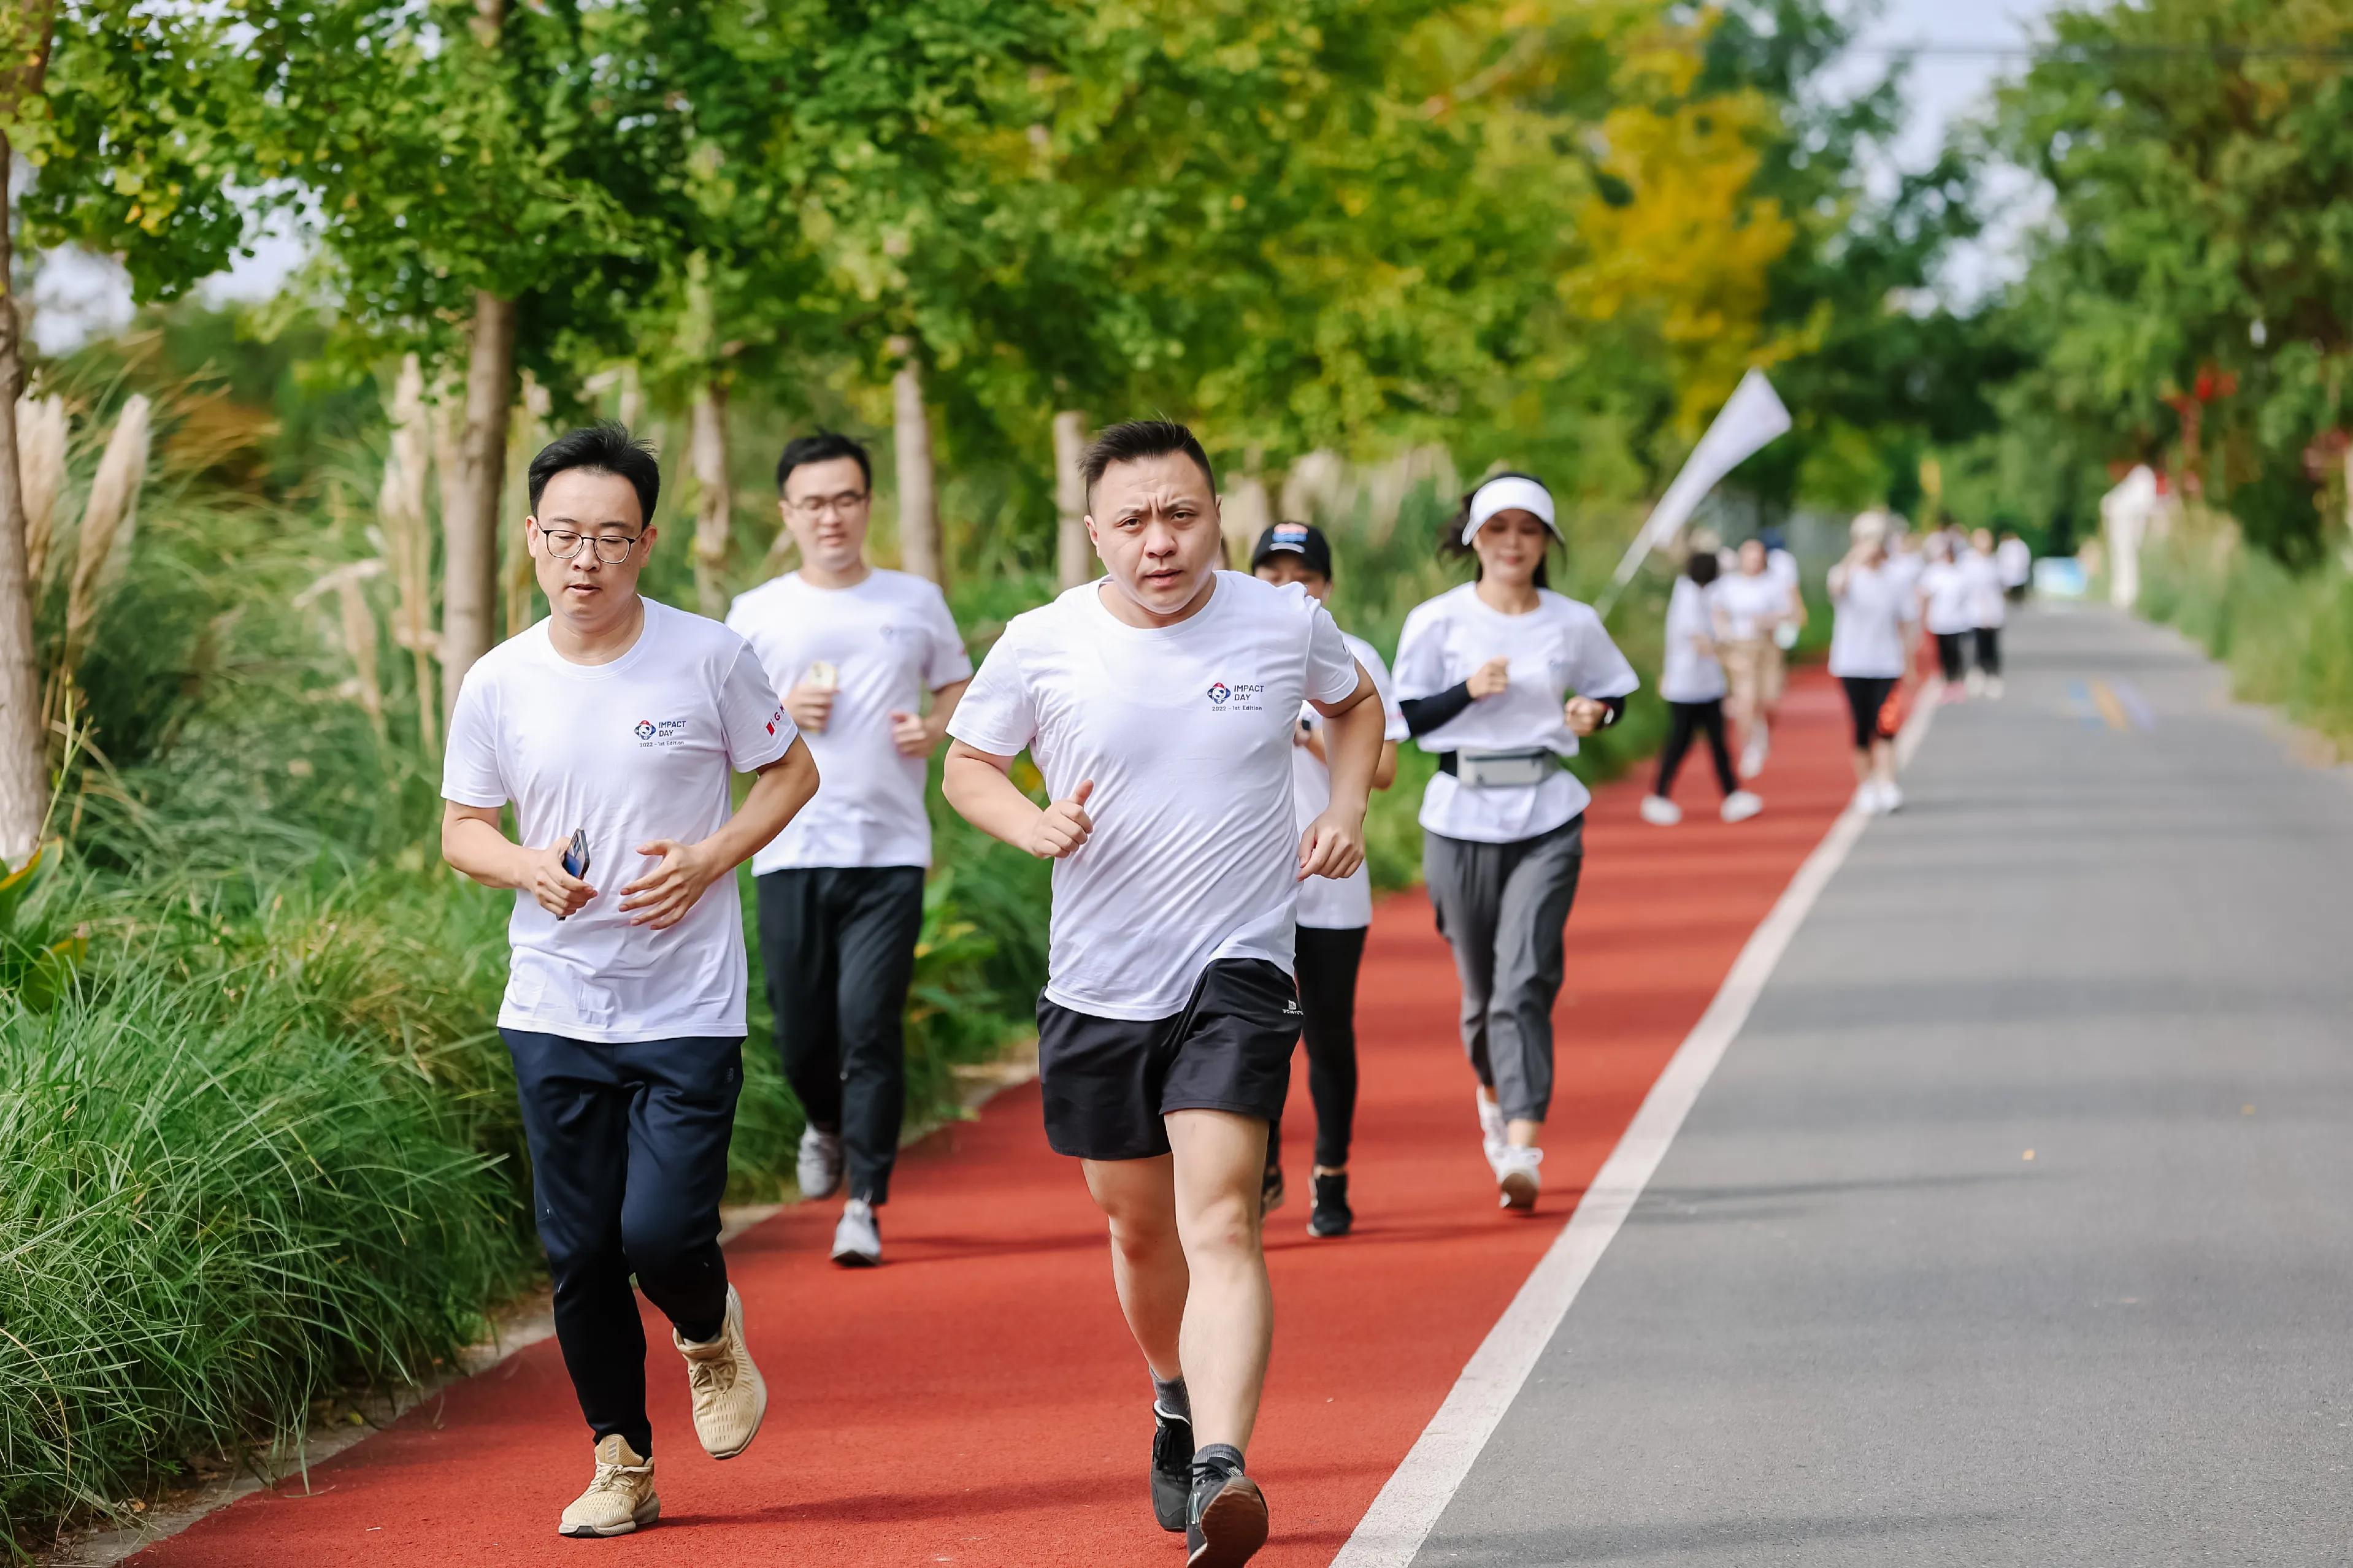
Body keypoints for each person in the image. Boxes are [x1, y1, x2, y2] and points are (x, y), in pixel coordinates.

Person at [942, 420, 1384, 1565]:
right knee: (1139, 1228)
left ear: (1216, 517)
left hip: (1235, 964)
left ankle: (1226, 1464)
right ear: (1096, 533)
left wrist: (1344, 810)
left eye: (1180, 514)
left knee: (1223, 1215)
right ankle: (1174, 1395)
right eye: (1133, 520)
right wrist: (1030, 823)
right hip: (1097, 981)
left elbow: (1357, 708)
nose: (1159, 541)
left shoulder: (1283, 621)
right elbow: (967, 765)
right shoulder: (1043, 641)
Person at [440, 425, 820, 1538]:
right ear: (530, 538)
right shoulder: (499, 678)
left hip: (685, 1003)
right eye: (564, 535)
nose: (586, 559)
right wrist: (523, 868)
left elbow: (791, 770)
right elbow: (464, 827)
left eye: (611, 536)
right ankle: (622, 1462)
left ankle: (707, 1336)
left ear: (646, 541)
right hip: (554, 1003)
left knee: (658, 1234)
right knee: (579, 1254)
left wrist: (711, 856)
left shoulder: (707, 655)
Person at [725, 432, 972, 1268]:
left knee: (870, 1026)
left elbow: (958, 683)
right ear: (787, 514)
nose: (832, 516)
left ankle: (864, 1201)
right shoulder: (755, 614)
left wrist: (935, 726)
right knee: (801, 1036)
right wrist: (781, 711)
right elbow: (721, 729)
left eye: (847, 499)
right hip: (786, 845)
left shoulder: (913, 598)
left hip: (889, 846)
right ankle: (822, 1123)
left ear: (869, 505)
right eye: (814, 503)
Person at [1391, 473, 1639, 1213]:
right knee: (1480, 995)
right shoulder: (1437, 621)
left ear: (1547, 543)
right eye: (1497, 529)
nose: (1511, 544)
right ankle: (1495, 1098)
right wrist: (1465, 691)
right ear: (1473, 538)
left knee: (1525, 977)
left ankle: (1523, 1144)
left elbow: (1613, 691)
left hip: (1547, 811)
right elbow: (1404, 720)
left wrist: (1597, 713)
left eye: (1527, 531)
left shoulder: (1571, 621)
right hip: (1458, 814)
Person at [1248, 521, 1407, 1238]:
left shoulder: (1352, 657)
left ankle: (1331, 1175)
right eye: (1270, 574)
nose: (1285, 588)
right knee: (1251, 1036)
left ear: (1326, 588)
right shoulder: (1227, 651)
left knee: (1327, 1035)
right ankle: (1259, 1164)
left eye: (1301, 578)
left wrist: (1311, 734)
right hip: (1247, 887)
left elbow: (1382, 770)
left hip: (1332, 883)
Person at [1641, 549, 1760, 826]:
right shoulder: (1687, 598)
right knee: (1679, 743)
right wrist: (1733, 659)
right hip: (1686, 686)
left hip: (1707, 685)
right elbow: (1701, 641)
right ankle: (1659, 795)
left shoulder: (1701, 593)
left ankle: (1733, 794)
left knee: (1718, 742)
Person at [1827, 510, 1912, 815]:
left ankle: (1888, 783)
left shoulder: (1897, 577)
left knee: (1886, 725)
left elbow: (1905, 620)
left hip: (1887, 665)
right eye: (1866, 539)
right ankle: (1866, 785)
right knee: (1862, 727)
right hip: (1851, 665)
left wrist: (1910, 662)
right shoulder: (1843, 574)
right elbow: (1837, 589)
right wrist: (1854, 557)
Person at [1710, 537, 1796, 778]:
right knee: (1745, 700)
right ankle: (1749, 746)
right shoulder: (1728, 585)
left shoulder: (1772, 584)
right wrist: (1724, 635)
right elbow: (1718, 612)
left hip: (1767, 646)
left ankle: (1763, 729)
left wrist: (1769, 620)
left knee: (1769, 699)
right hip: (1740, 646)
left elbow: (1788, 613)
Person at [1917, 532, 1975, 699]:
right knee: (1943, 653)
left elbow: (1967, 598)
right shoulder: (1935, 572)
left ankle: (1957, 681)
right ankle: (1947, 680)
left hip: (1957, 622)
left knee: (1956, 651)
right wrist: (1924, 617)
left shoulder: (1960, 573)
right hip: (1940, 621)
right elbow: (1925, 595)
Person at [1963, 526, 2007, 699]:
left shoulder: (1995, 562)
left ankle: (1993, 676)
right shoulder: (1968, 562)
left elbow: (2002, 585)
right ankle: (1978, 674)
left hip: (1994, 612)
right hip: (1974, 612)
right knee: (1976, 645)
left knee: (1992, 646)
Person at [1997, 529, 2032, 602]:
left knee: (2017, 592)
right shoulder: (2007, 545)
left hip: (2017, 573)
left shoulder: (2020, 545)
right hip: (2009, 573)